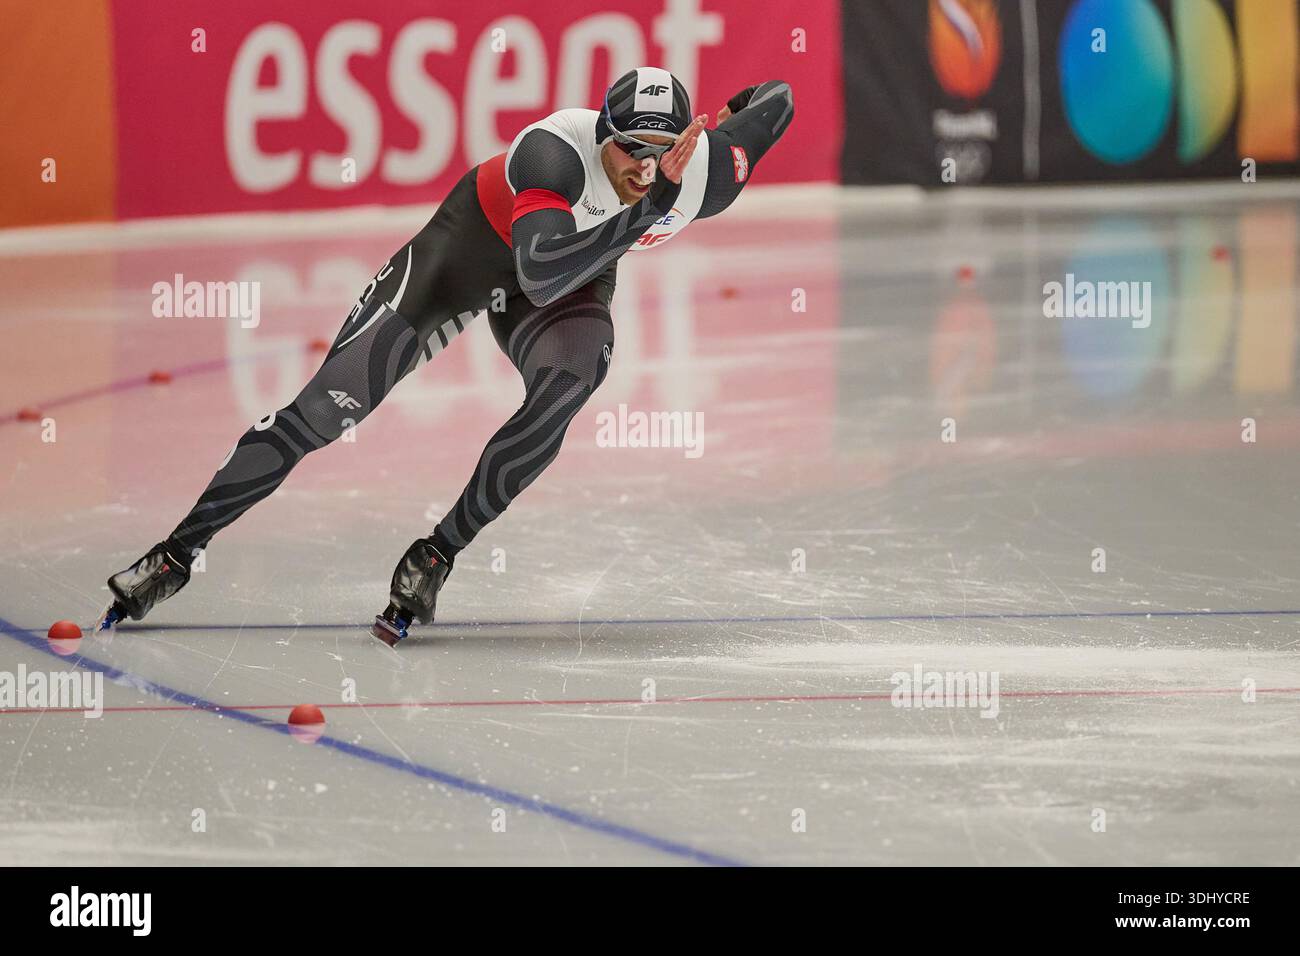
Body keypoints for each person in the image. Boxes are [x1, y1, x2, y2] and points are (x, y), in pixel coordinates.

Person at [100, 67, 794, 645]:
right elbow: (541, 271)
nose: (644, 168)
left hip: (573, 277)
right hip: (470, 256)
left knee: (572, 380)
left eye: (659, 150)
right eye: (627, 151)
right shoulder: (554, 151)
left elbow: (779, 101)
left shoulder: (706, 175)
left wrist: (732, 109)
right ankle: (174, 555)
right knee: (325, 409)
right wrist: (647, 211)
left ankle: (435, 554)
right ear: (600, 136)